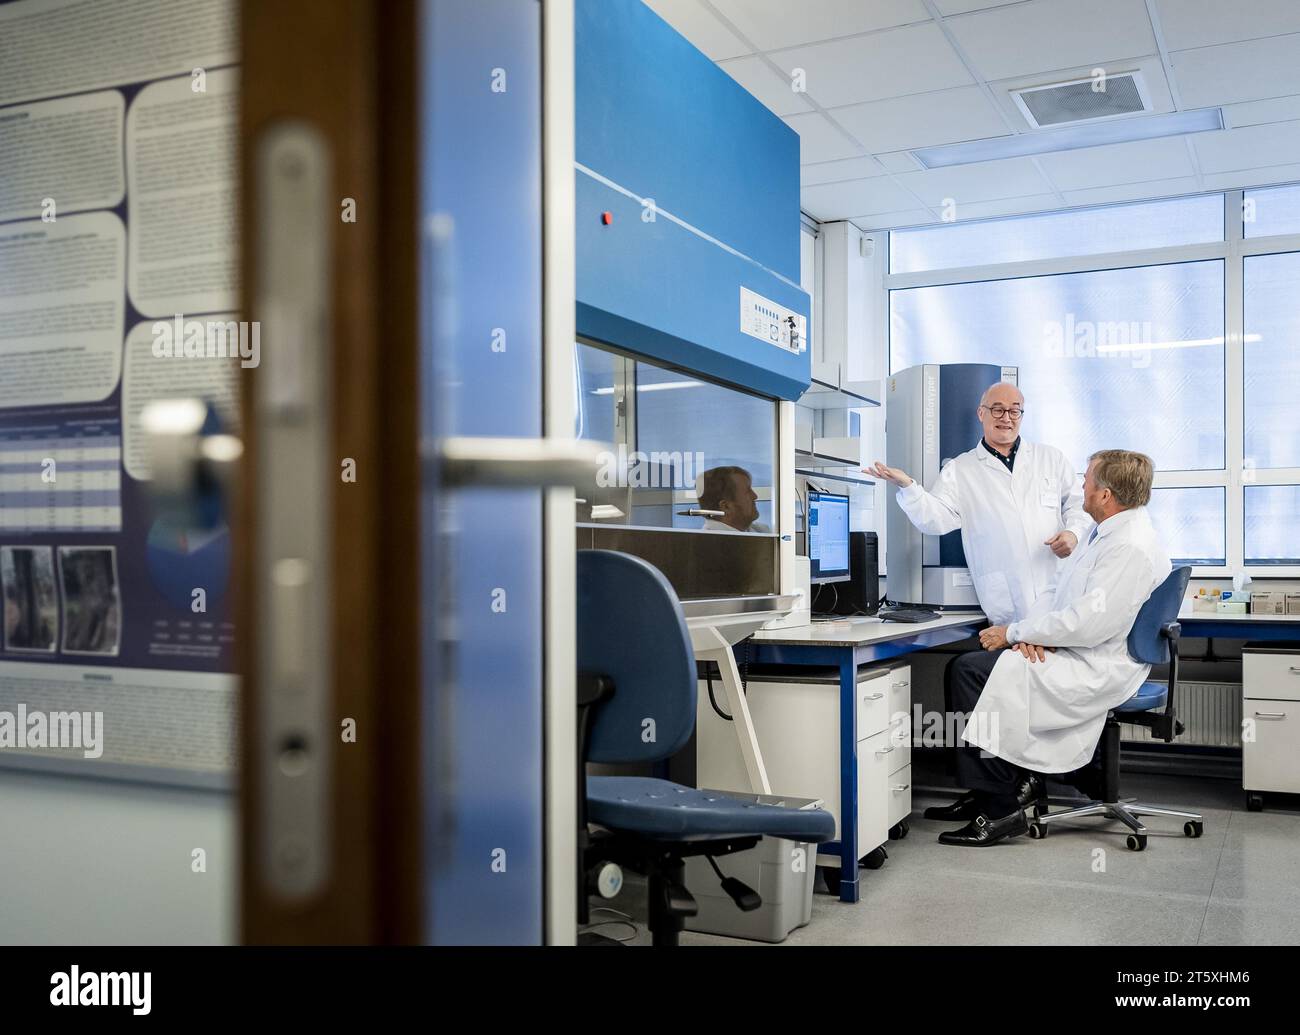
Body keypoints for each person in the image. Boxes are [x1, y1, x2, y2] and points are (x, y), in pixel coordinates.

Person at [932, 449, 1171, 847]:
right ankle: (990, 791)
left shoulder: (1128, 545)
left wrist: (1014, 634)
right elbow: (1066, 598)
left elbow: (1088, 622)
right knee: (975, 667)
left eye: (1088, 482)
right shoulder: (1111, 533)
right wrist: (1030, 635)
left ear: (1106, 495)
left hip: (1096, 664)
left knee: (969, 671)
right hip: (1083, 649)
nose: (1082, 487)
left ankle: (999, 806)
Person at [866, 381, 1091, 626]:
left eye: (1014, 410)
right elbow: (935, 519)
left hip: (1057, 594)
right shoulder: (961, 469)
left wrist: (1074, 533)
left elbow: (1081, 505)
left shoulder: (1051, 459)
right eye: (998, 409)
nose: (1006, 417)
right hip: (1008, 606)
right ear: (981, 413)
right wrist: (907, 485)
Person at [697, 466, 770, 533]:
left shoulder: (761, 530)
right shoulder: (709, 544)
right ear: (726, 506)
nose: (755, 496)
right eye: (747, 491)